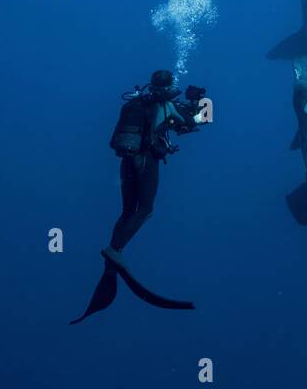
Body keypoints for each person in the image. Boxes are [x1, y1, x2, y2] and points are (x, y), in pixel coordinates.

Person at [70, 70, 207, 325]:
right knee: (145, 210)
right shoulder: (166, 105)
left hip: (127, 162)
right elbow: (191, 123)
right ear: (168, 87)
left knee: (127, 211)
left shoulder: (137, 102)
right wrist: (198, 108)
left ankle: (113, 256)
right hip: (146, 162)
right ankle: (114, 250)